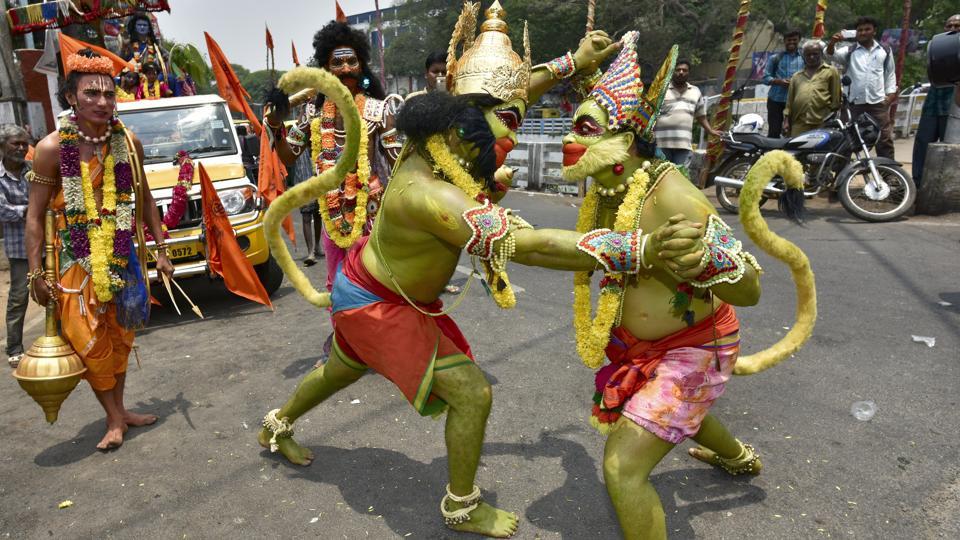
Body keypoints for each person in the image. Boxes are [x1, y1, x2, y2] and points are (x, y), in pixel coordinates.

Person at [259, 2, 620, 535]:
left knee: (340, 369)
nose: (508, 143)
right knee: (473, 393)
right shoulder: (430, 194)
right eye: (502, 133)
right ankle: (462, 506)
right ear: (460, 132)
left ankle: (275, 424)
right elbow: (531, 246)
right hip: (378, 303)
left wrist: (571, 63)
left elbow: (501, 101)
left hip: (368, 286)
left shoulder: (431, 136)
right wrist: (632, 248)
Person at [561, 33, 816, 539]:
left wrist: (704, 262)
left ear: (626, 139)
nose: (572, 140)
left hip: (695, 348)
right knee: (683, 415)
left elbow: (747, 289)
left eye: (586, 128)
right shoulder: (606, 189)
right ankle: (740, 458)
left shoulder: (677, 198)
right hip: (639, 345)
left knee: (621, 468)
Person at [25, 49, 174, 450]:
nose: (104, 102)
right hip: (76, 260)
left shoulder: (129, 142)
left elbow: (145, 199)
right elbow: (35, 215)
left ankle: (119, 411)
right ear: (72, 97)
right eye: (92, 93)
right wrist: (36, 274)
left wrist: (162, 249)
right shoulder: (52, 149)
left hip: (122, 255)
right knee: (88, 338)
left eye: (110, 94)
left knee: (121, 337)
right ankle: (112, 417)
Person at [266, 19, 404, 293]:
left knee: (373, 278)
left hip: (370, 206)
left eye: (351, 61)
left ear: (361, 64)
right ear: (326, 70)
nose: (345, 69)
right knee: (337, 283)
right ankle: (344, 331)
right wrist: (276, 124)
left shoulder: (379, 110)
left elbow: (397, 163)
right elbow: (289, 157)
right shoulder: (312, 113)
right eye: (337, 64)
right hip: (331, 208)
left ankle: (374, 332)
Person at [827, 16, 897, 159]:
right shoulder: (849, 51)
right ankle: (841, 173)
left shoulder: (885, 51)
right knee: (846, 139)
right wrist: (833, 42)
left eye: (867, 29)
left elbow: (890, 74)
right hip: (853, 104)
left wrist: (889, 97)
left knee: (884, 139)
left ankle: (889, 174)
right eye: (860, 30)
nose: (863, 32)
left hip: (877, 104)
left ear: (874, 31)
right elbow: (830, 55)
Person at [912, 14, 960, 189]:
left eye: (957, 26)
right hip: (933, 103)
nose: (953, 29)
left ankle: (948, 187)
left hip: (954, 107)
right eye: (949, 26)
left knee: (951, 148)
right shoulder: (936, 47)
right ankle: (917, 185)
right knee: (923, 144)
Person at [0, 125, 31, 368]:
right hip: (20, 249)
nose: (21, 147)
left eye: (24, 143)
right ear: (3, 146)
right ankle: (14, 348)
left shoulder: (34, 170)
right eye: (15, 143)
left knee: (58, 292)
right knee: (19, 298)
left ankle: (66, 340)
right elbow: (3, 212)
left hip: (46, 244)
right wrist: (32, 210)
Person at [653, 59, 721, 169]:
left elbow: (701, 116)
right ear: (672, 71)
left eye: (684, 70)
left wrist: (710, 130)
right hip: (662, 144)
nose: (681, 72)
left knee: (681, 179)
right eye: (678, 70)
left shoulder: (695, 91)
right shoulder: (662, 90)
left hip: (683, 145)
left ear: (688, 73)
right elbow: (652, 113)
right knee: (661, 180)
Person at [784, 40, 841, 136]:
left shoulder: (831, 71)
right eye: (808, 54)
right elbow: (789, 103)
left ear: (821, 54)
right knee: (797, 149)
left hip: (822, 122)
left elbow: (836, 100)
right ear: (804, 56)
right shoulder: (796, 76)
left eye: (815, 54)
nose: (811, 57)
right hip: (799, 123)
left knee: (821, 150)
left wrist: (832, 120)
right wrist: (786, 121)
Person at [762, 29, 804, 137]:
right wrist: (779, 81)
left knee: (795, 133)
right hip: (775, 100)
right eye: (789, 40)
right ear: (784, 41)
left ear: (799, 40)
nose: (791, 42)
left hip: (796, 101)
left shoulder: (805, 58)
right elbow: (765, 78)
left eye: (794, 40)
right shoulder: (775, 58)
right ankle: (772, 153)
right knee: (774, 132)